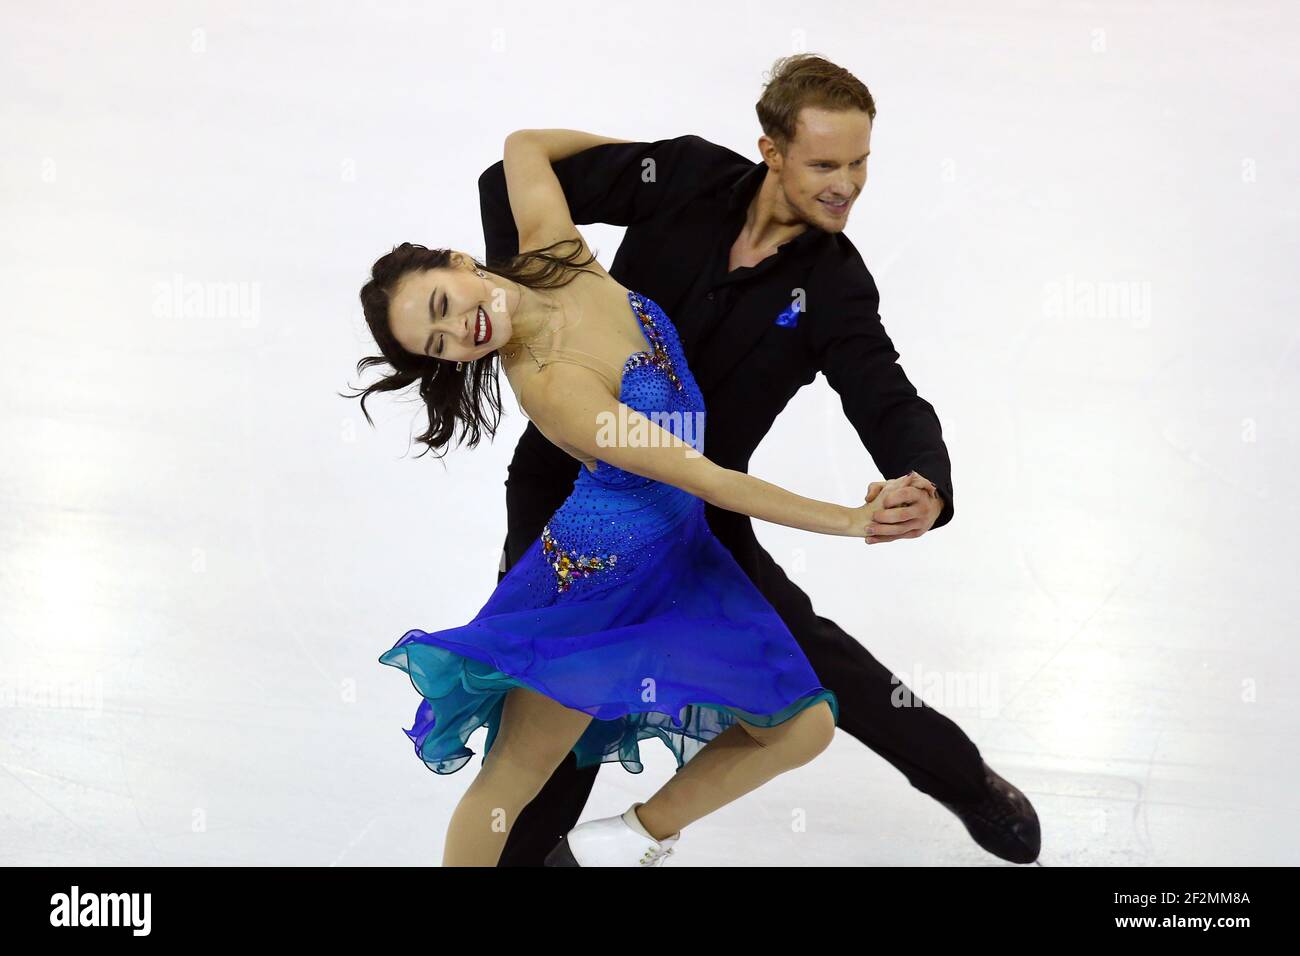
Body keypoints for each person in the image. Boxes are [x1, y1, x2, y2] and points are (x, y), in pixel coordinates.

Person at [478, 54, 1041, 866]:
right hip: (569, 486)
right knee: (563, 672)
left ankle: (965, 782)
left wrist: (926, 478)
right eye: (824, 163)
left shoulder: (834, 285)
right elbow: (510, 179)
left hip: (699, 507)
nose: (846, 183)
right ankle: (526, 857)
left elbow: (886, 396)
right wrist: (532, 318)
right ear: (770, 150)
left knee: (811, 658)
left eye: (860, 163)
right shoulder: (683, 176)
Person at [349, 124, 919, 866]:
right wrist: (851, 519)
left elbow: (523, 146)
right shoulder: (553, 385)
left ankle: (623, 841)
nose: (461, 329)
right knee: (511, 781)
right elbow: (706, 476)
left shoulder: (554, 253)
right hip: (603, 586)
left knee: (802, 725)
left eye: (443, 304)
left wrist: (712, 180)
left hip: (679, 556)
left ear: (461, 263)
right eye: (441, 343)